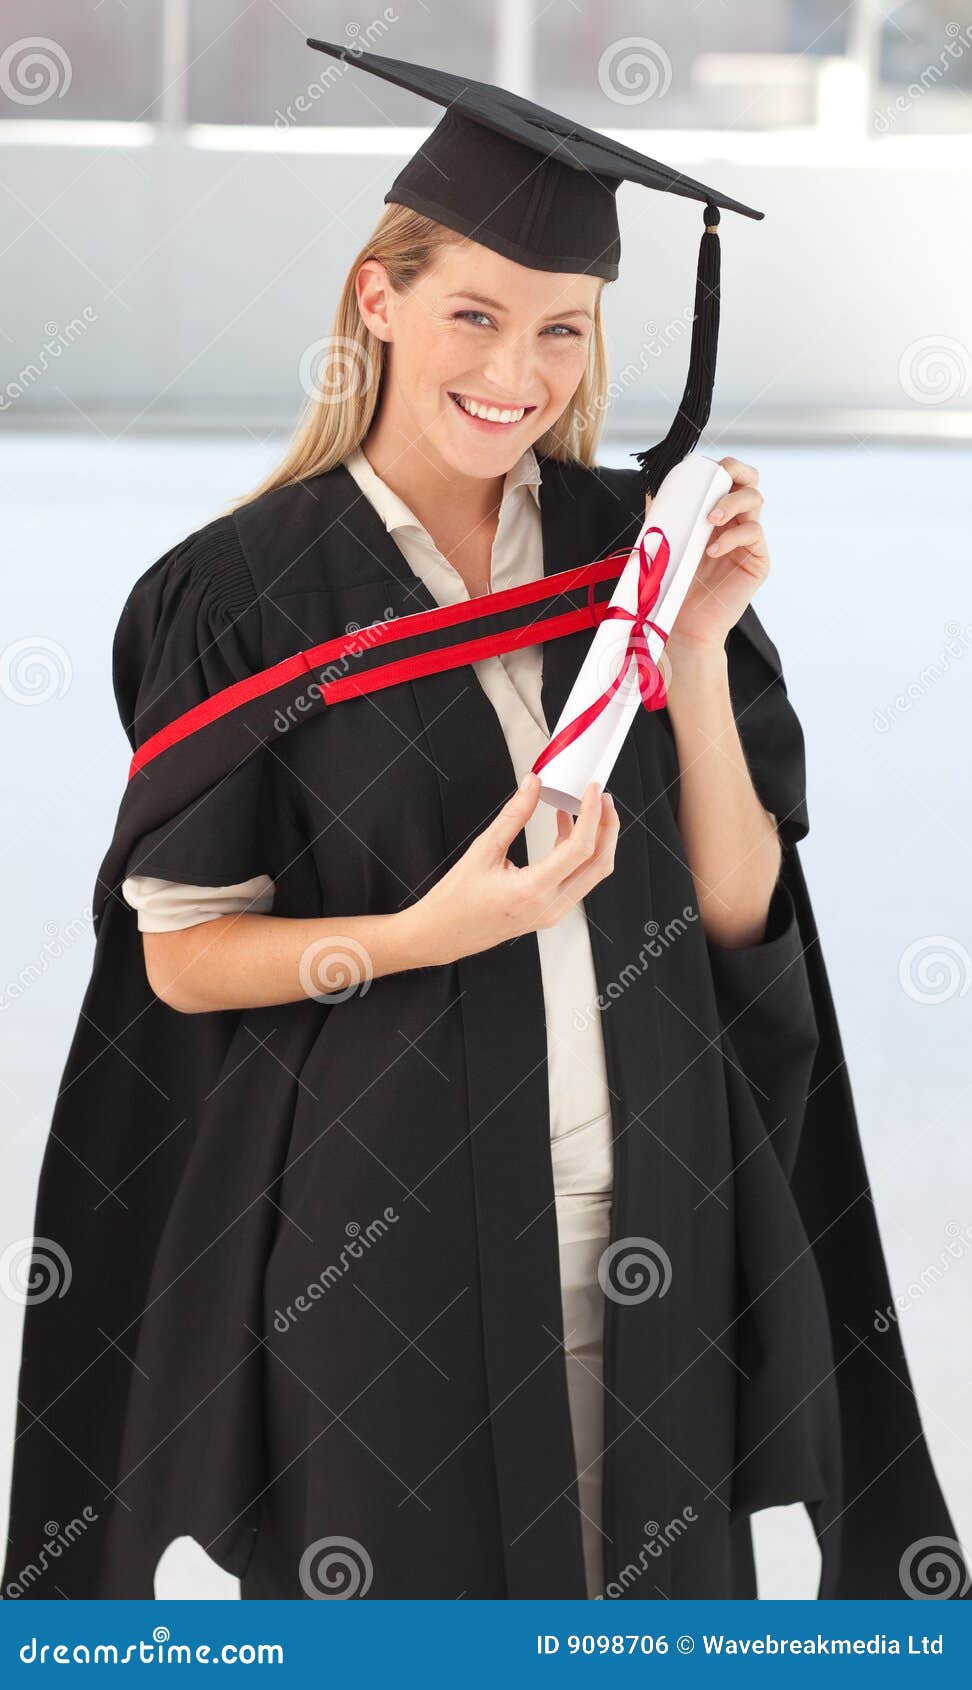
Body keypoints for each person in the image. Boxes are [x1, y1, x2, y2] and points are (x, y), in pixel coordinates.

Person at [3, 43, 963, 1603]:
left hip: (661, 1215)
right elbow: (183, 957)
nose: (515, 370)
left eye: (560, 330)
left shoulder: (628, 561)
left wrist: (699, 646)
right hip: (384, 1250)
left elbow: (739, 916)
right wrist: (420, 935)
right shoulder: (244, 596)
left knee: (656, 1618)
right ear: (376, 302)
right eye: (473, 313)